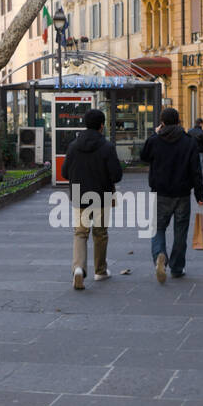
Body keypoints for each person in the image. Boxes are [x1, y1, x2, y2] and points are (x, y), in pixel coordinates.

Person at [140, 106, 203, 283]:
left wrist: (154, 134)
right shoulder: (189, 141)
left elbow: (143, 156)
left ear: (162, 122)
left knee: (158, 228)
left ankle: (160, 255)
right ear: (178, 121)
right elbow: (196, 171)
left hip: (160, 193)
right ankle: (177, 267)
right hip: (183, 193)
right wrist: (200, 195)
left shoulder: (155, 140)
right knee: (180, 231)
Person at [63, 108, 123, 290]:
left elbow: (65, 172)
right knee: (100, 234)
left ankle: (79, 268)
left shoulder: (73, 146)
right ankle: (100, 270)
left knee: (80, 233)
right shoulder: (107, 147)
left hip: (79, 195)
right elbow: (116, 175)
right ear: (102, 126)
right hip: (101, 196)